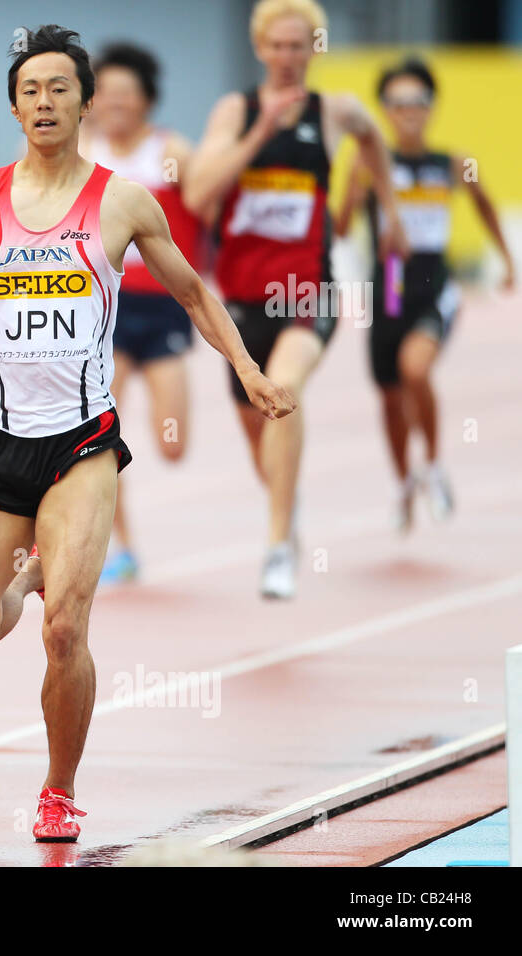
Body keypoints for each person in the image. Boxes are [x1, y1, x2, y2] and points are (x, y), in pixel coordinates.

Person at [0, 25, 296, 842]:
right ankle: (25, 582)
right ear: (14, 107)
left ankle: (58, 790)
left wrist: (247, 369)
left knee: (68, 628)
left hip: (81, 446)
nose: (46, 102)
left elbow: (198, 295)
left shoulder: (123, 202)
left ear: (85, 102)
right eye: (31, 91)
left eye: (61, 88)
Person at [184, 0, 409, 598]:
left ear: (314, 49)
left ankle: (277, 544)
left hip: (307, 294)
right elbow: (201, 192)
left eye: (298, 45)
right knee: (264, 435)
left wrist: (388, 211)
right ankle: (287, 505)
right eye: (276, 46)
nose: (287, 57)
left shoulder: (335, 112)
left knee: (284, 385)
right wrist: (260, 132)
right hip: (240, 304)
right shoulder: (236, 111)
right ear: (261, 49)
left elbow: (373, 143)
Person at [337, 57, 514, 530]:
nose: (409, 111)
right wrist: (353, 195)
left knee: (416, 370)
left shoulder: (454, 164)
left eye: (418, 101)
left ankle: (433, 467)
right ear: (385, 110)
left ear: (431, 107)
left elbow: (485, 204)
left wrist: (507, 261)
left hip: (435, 286)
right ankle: (402, 484)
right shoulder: (369, 161)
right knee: (391, 397)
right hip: (388, 290)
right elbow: (338, 226)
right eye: (398, 103)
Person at [79, 42, 206, 584]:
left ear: (147, 101)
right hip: (103, 305)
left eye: (126, 94)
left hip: (164, 307)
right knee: (100, 432)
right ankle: (120, 547)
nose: (115, 103)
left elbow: (208, 206)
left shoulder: (172, 151)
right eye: (104, 93)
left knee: (172, 444)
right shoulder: (81, 150)